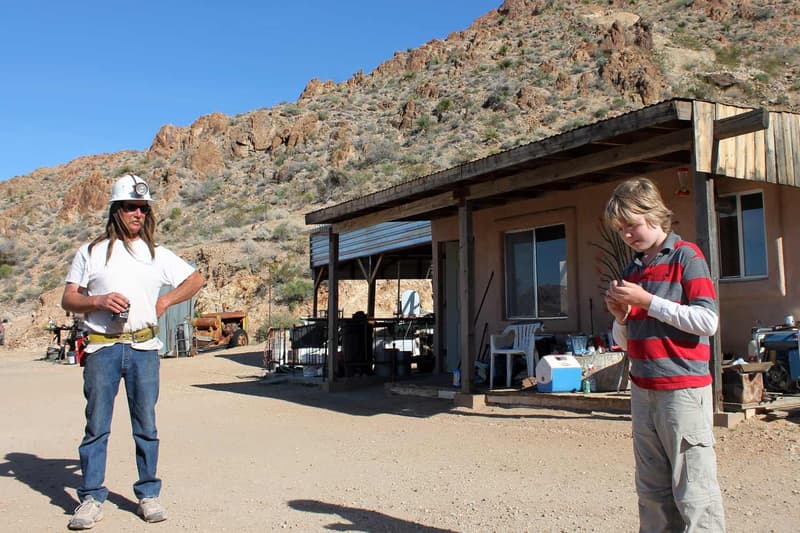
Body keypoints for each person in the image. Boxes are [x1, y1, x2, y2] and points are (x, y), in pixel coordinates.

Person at [61, 174, 204, 530]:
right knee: (96, 427)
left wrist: (166, 300)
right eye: (130, 207)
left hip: (144, 349)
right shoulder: (91, 252)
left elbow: (196, 278)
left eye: (143, 208)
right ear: (116, 210)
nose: (138, 213)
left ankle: (148, 493)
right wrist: (97, 300)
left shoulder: (157, 255)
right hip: (102, 348)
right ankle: (92, 497)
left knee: (146, 426)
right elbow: (68, 297)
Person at [603, 177, 725, 532]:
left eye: (632, 225)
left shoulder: (688, 257)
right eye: (621, 229)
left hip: (683, 391)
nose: (627, 235)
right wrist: (620, 318)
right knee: (652, 493)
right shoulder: (633, 270)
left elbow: (707, 321)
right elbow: (626, 340)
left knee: (695, 492)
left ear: (653, 214)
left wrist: (648, 302)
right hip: (643, 389)